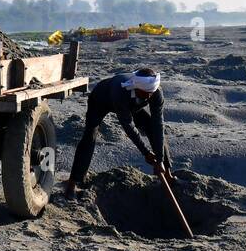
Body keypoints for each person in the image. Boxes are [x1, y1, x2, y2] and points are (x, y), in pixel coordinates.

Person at [63, 67, 170, 197]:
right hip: (101, 100)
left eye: (151, 93)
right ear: (136, 87)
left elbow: (158, 124)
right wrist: (146, 153)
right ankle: (73, 183)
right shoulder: (121, 91)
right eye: (145, 93)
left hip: (133, 106)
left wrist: (159, 159)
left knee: (152, 128)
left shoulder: (155, 92)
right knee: (89, 137)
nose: (149, 96)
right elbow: (129, 126)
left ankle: (168, 174)